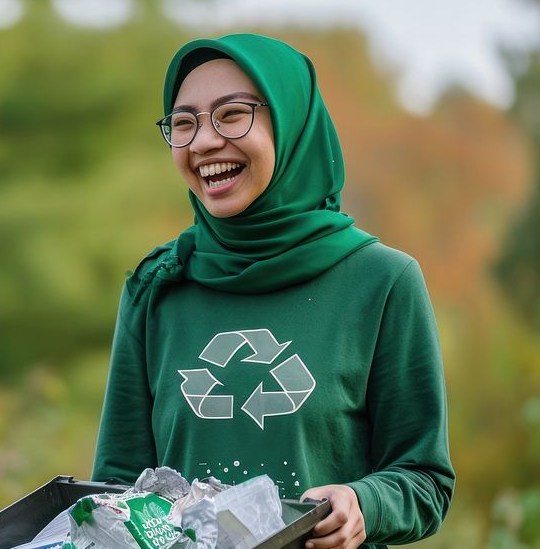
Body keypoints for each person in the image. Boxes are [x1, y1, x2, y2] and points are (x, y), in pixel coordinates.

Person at [92, 34, 454, 549]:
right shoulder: (157, 287)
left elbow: (425, 481)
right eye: (183, 123)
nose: (203, 143)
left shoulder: (382, 281)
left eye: (232, 115)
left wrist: (362, 504)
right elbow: (115, 487)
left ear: (291, 125)